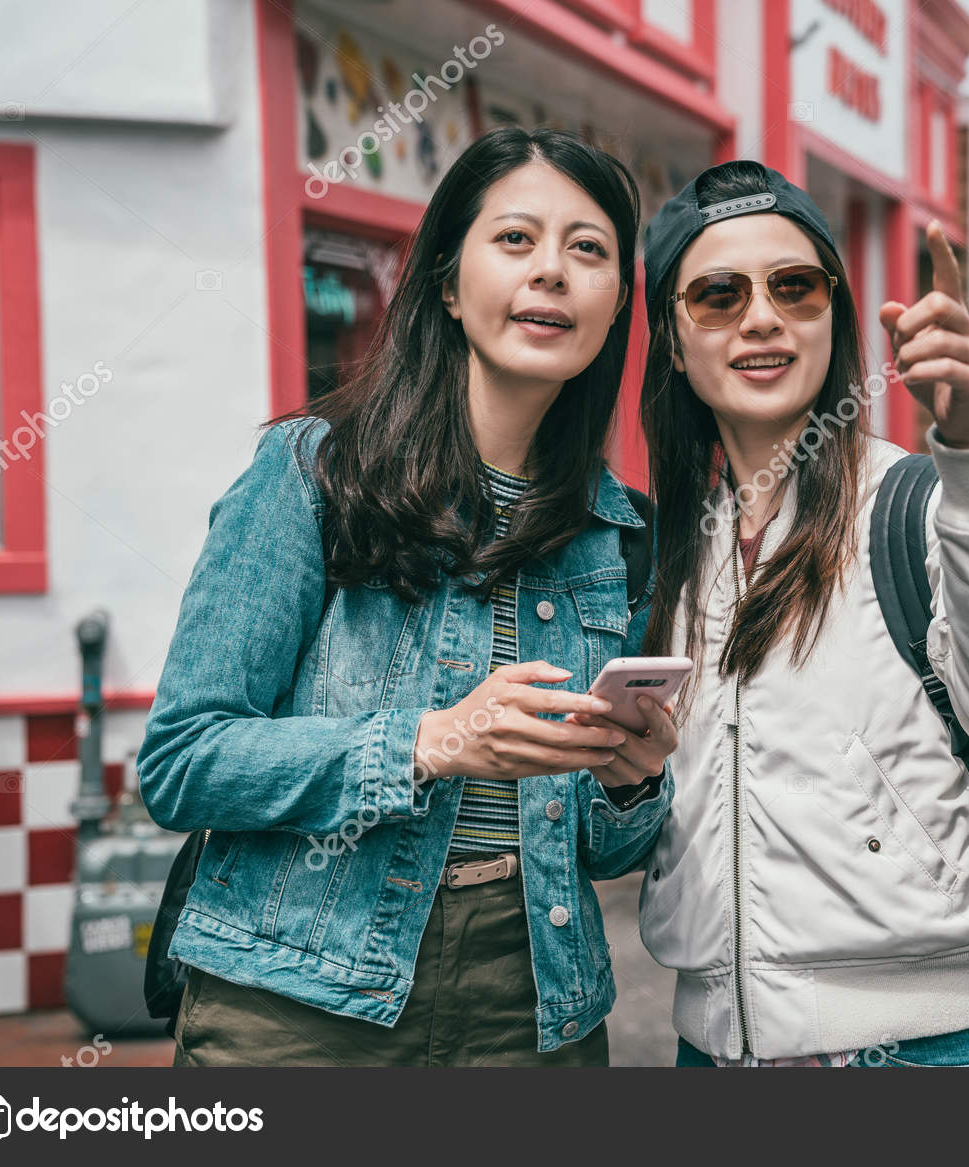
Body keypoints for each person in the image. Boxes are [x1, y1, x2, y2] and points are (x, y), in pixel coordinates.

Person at [137, 128, 678, 1065]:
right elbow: (183, 761)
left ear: (615, 304)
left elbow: (599, 849)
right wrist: (431, 741)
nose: (552, 271)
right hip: (297, 998)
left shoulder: (623, 533)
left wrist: (632, 784)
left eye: (587, 250)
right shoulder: (313, 473)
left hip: (536, 1006)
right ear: (446, 283)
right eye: (515, 239)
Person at [619, 161, 969, 1067]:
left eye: (794, 287)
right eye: (718, 295)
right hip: (716, 1050)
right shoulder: (673, 550)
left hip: (930, 1051)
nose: (762, 316)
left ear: (834, 315)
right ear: (674, 344)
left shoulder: (926, 502)